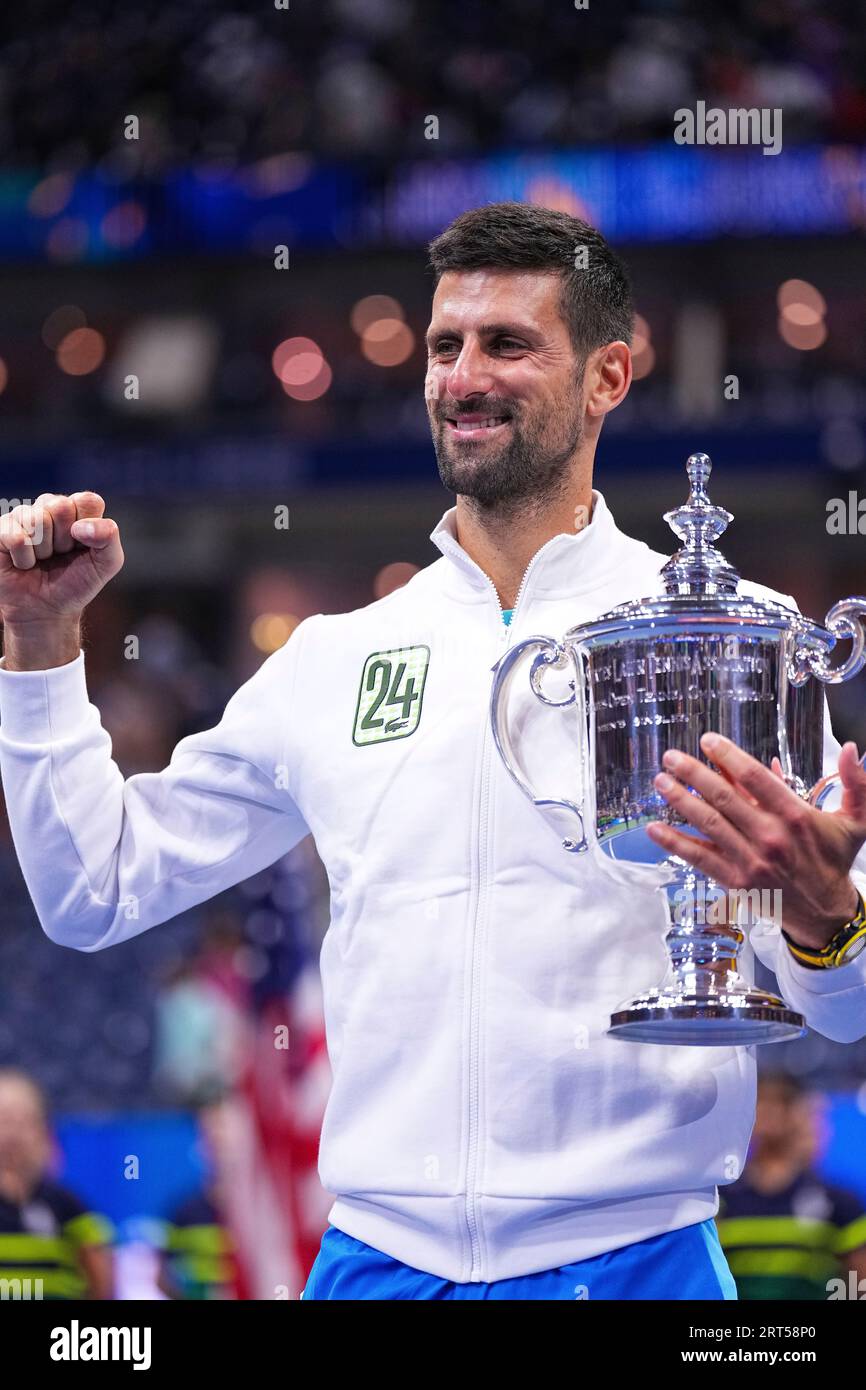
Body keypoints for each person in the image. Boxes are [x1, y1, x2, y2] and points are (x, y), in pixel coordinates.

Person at [1, 202, 866, 1301]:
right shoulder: (336, 659)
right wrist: (38, 649)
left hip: (640, 1257)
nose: (463, 376)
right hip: (378, 1263)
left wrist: (824, 912)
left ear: (606, 378)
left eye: (507, 343)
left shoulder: (724, 631)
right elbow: (91, 890)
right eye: (444, 346)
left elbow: (845, 1006)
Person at [717, 1071, 866, 1300]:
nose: (767, 1113)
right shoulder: (719, 1200)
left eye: (779, 1102)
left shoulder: (839, 1202)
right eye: (760, 1102)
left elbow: (859, 1285)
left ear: (798, 1114)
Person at [0, 1068, 114, 1299]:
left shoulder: (68, 1207)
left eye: (23, 1120)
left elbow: (102, 1285)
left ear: (43, 1131)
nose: (13, 1134)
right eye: (4, 1119)